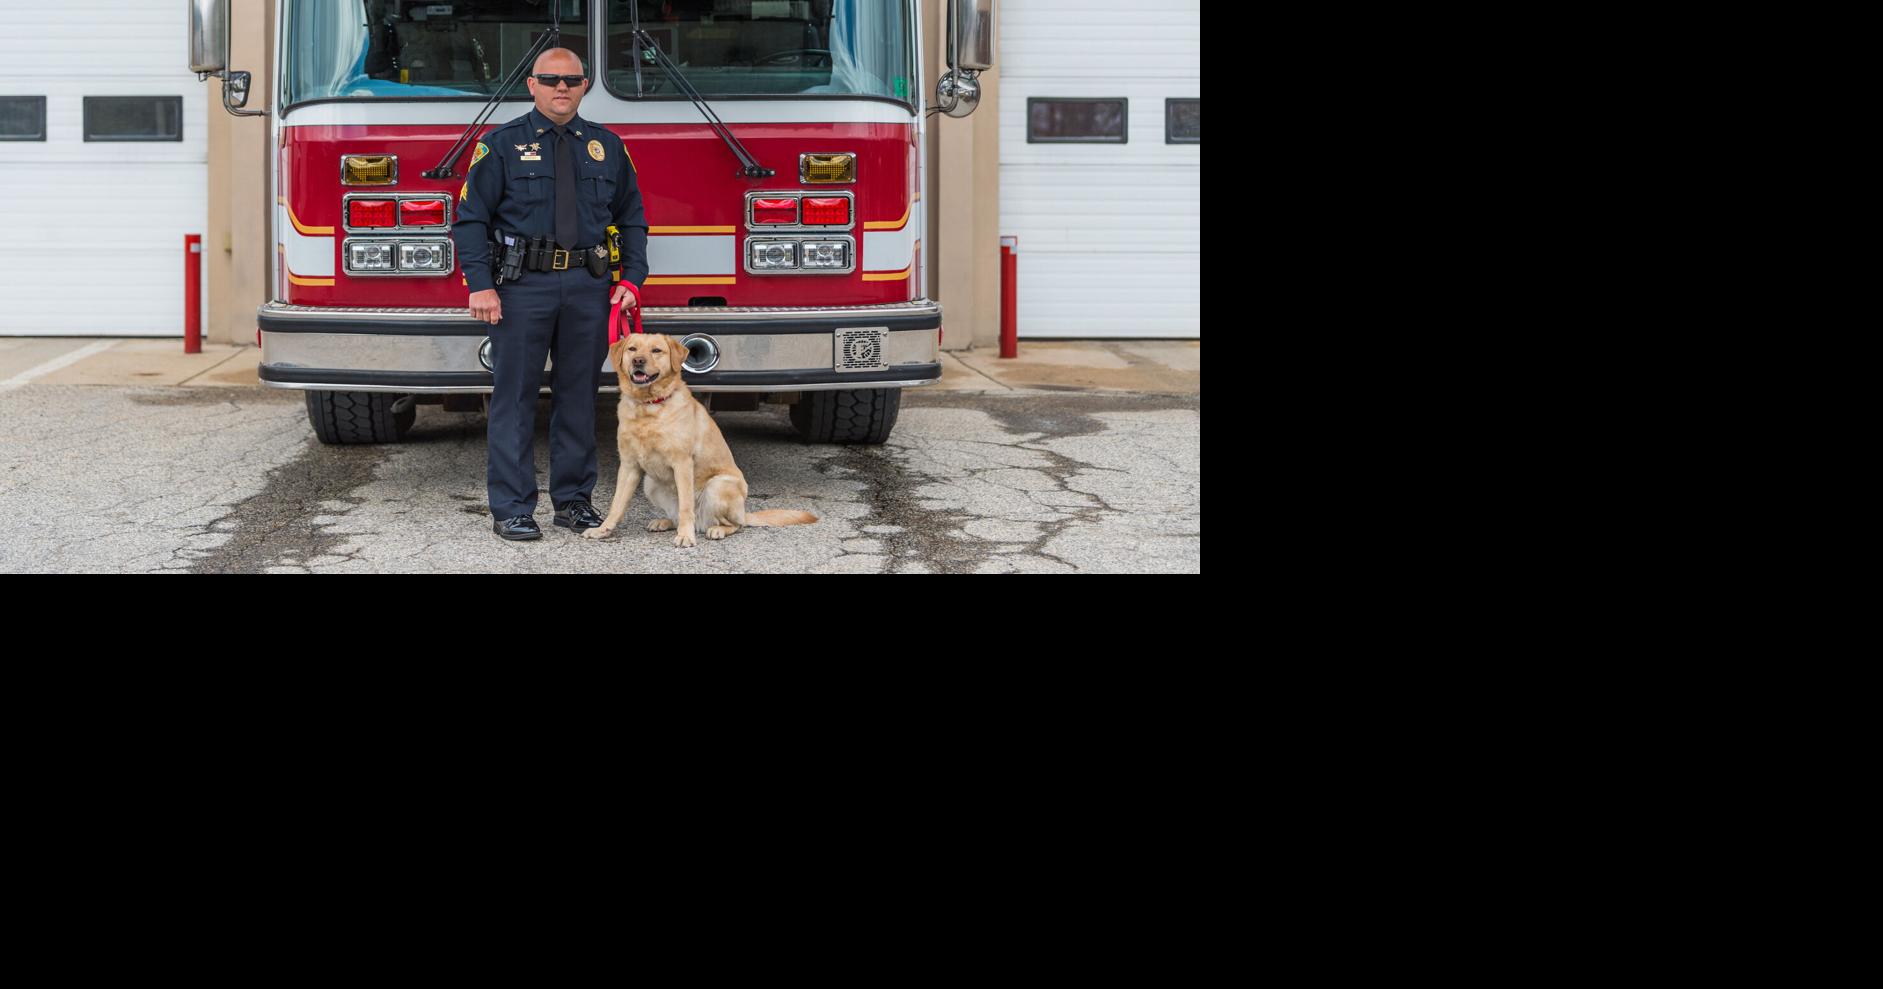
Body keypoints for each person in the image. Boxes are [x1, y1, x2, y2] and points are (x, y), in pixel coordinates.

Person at [452, 47, 649, 541]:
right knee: (514, 398)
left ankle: (574, 503)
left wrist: (631, 279)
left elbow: (632, 217)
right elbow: (471, 219)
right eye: (550, 79)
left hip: (589, 286)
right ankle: (513, 509)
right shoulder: (500, 146)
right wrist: (480, 284)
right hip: (521, 288)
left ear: (585, 86)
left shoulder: (607, 146)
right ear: (532, 86)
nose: (562, 88)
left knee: (579, 396)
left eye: (572, 80)